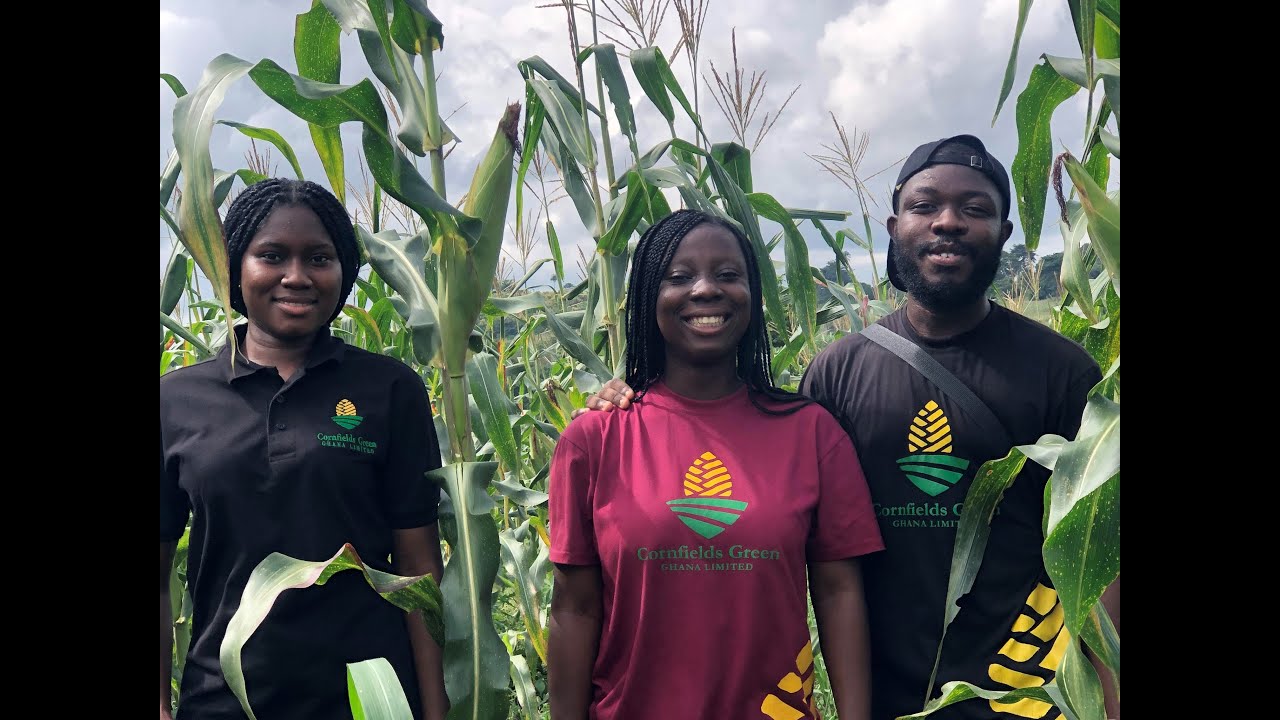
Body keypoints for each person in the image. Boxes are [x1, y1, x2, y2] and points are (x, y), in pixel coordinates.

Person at [579, 135, 1120, 720]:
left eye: (975, 209)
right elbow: (770, 489)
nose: (948, 222)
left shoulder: (1063, 373)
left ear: (1005, 232)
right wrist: (637, 397)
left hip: (1022, 694)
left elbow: (1098, 554)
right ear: (893, 227)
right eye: (924, 206)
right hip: (884, 698)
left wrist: (1108, 696)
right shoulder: (837, 372)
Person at [548, 209, 884, 720]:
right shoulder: (595, 439)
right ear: (648, 296)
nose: (705, 289)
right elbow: (574, 608)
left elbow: (839, 591)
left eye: (728, 274)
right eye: (679, 277)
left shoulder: (811, 433)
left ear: (753, 293)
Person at [159, 178, 449, 720]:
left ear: (344, 271)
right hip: (223, 699)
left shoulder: (389, 390)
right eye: (271, 256)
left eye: (319, 258)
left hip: (370, 694)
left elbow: (418, 567)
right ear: (235, 267)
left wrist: (434, 709)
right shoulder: (175, 401)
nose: (296, 276)